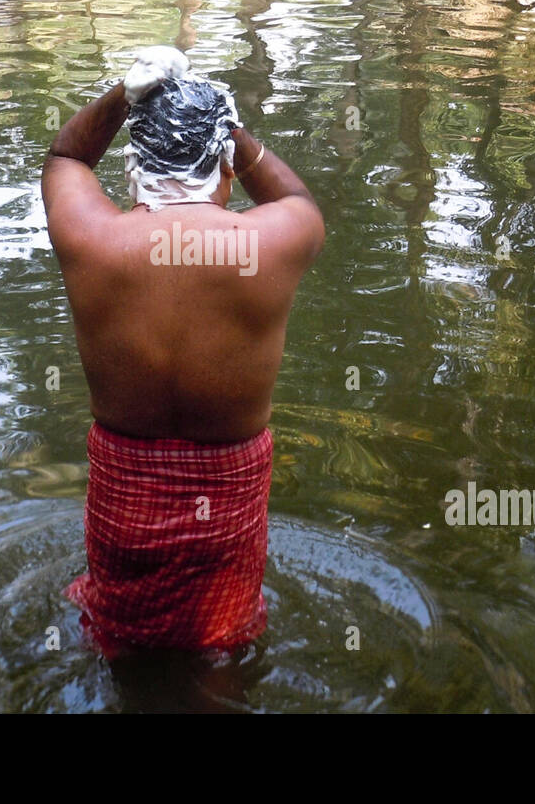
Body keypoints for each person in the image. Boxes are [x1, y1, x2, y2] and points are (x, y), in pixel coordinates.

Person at [41, 46, 324, 656]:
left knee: (119, 641)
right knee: (218, 649)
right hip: (226, 505)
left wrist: (125, 94)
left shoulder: (95, 242)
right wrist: (231, 129)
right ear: (225, 163)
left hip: (126, 503)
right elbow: (297, 199)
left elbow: (67, 155)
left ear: (136, 165)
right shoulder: (273, 242)